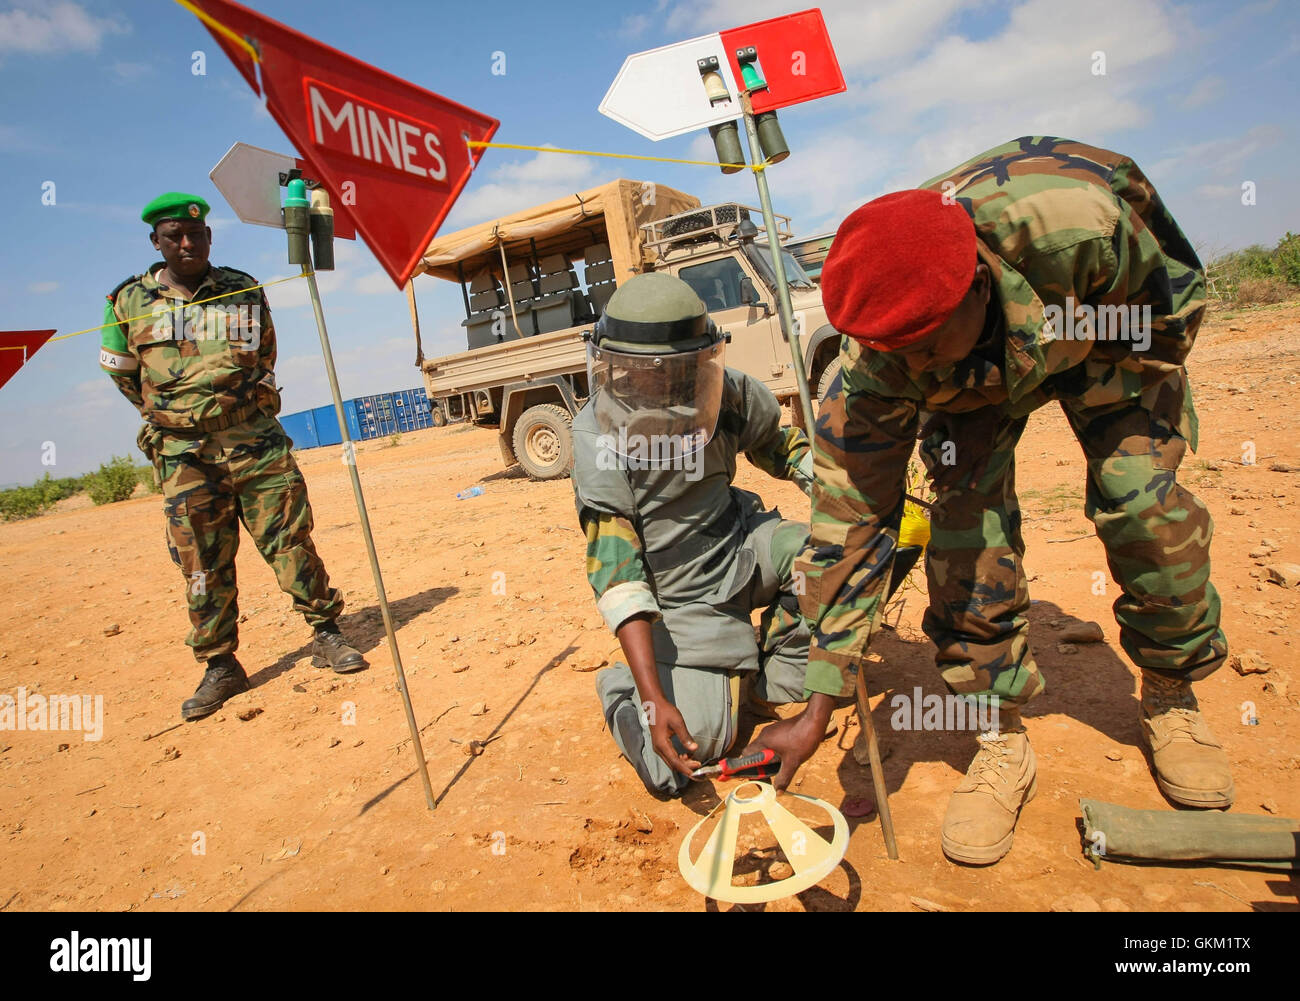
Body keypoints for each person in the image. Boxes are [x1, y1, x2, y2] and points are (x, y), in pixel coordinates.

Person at [749, 136, 1234, 864]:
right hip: (972, 382)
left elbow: (1170, 312)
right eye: (894, 353)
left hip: (1099, 330)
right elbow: (852, 522)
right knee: (964, 533)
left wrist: (1123, 417)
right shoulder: (880, 363)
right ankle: (997, 730)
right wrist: (819, 705)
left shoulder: (1078, 225)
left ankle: (1170, 690)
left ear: (978, 285)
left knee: (1144, 506)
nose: (909, 365)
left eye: (922, 345)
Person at [100, 191, 367, 722]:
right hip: (185, 456)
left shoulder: (243, 289)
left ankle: (327, 633)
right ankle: (221, 665)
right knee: (202, 562)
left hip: (254, 441)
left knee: (290, 540)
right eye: (174, 236)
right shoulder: (127, 303)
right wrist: (176, 416)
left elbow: (264, 355)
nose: (187, 243)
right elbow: (123, 375)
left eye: (196, 234)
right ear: (156, 242)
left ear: (209, 236)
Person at [572, 272, 817, 797]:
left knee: (821, 560)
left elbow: (778, 445)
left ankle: (765, 683)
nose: (659, 384)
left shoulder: (727, 394)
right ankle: (622, 686)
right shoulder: (598, 435)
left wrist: (834, 487)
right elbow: (617, 571)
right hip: (678, 599)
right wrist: (652, 697)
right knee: (683, 760)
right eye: (643, 372)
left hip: (741, 550)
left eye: (673, 371)